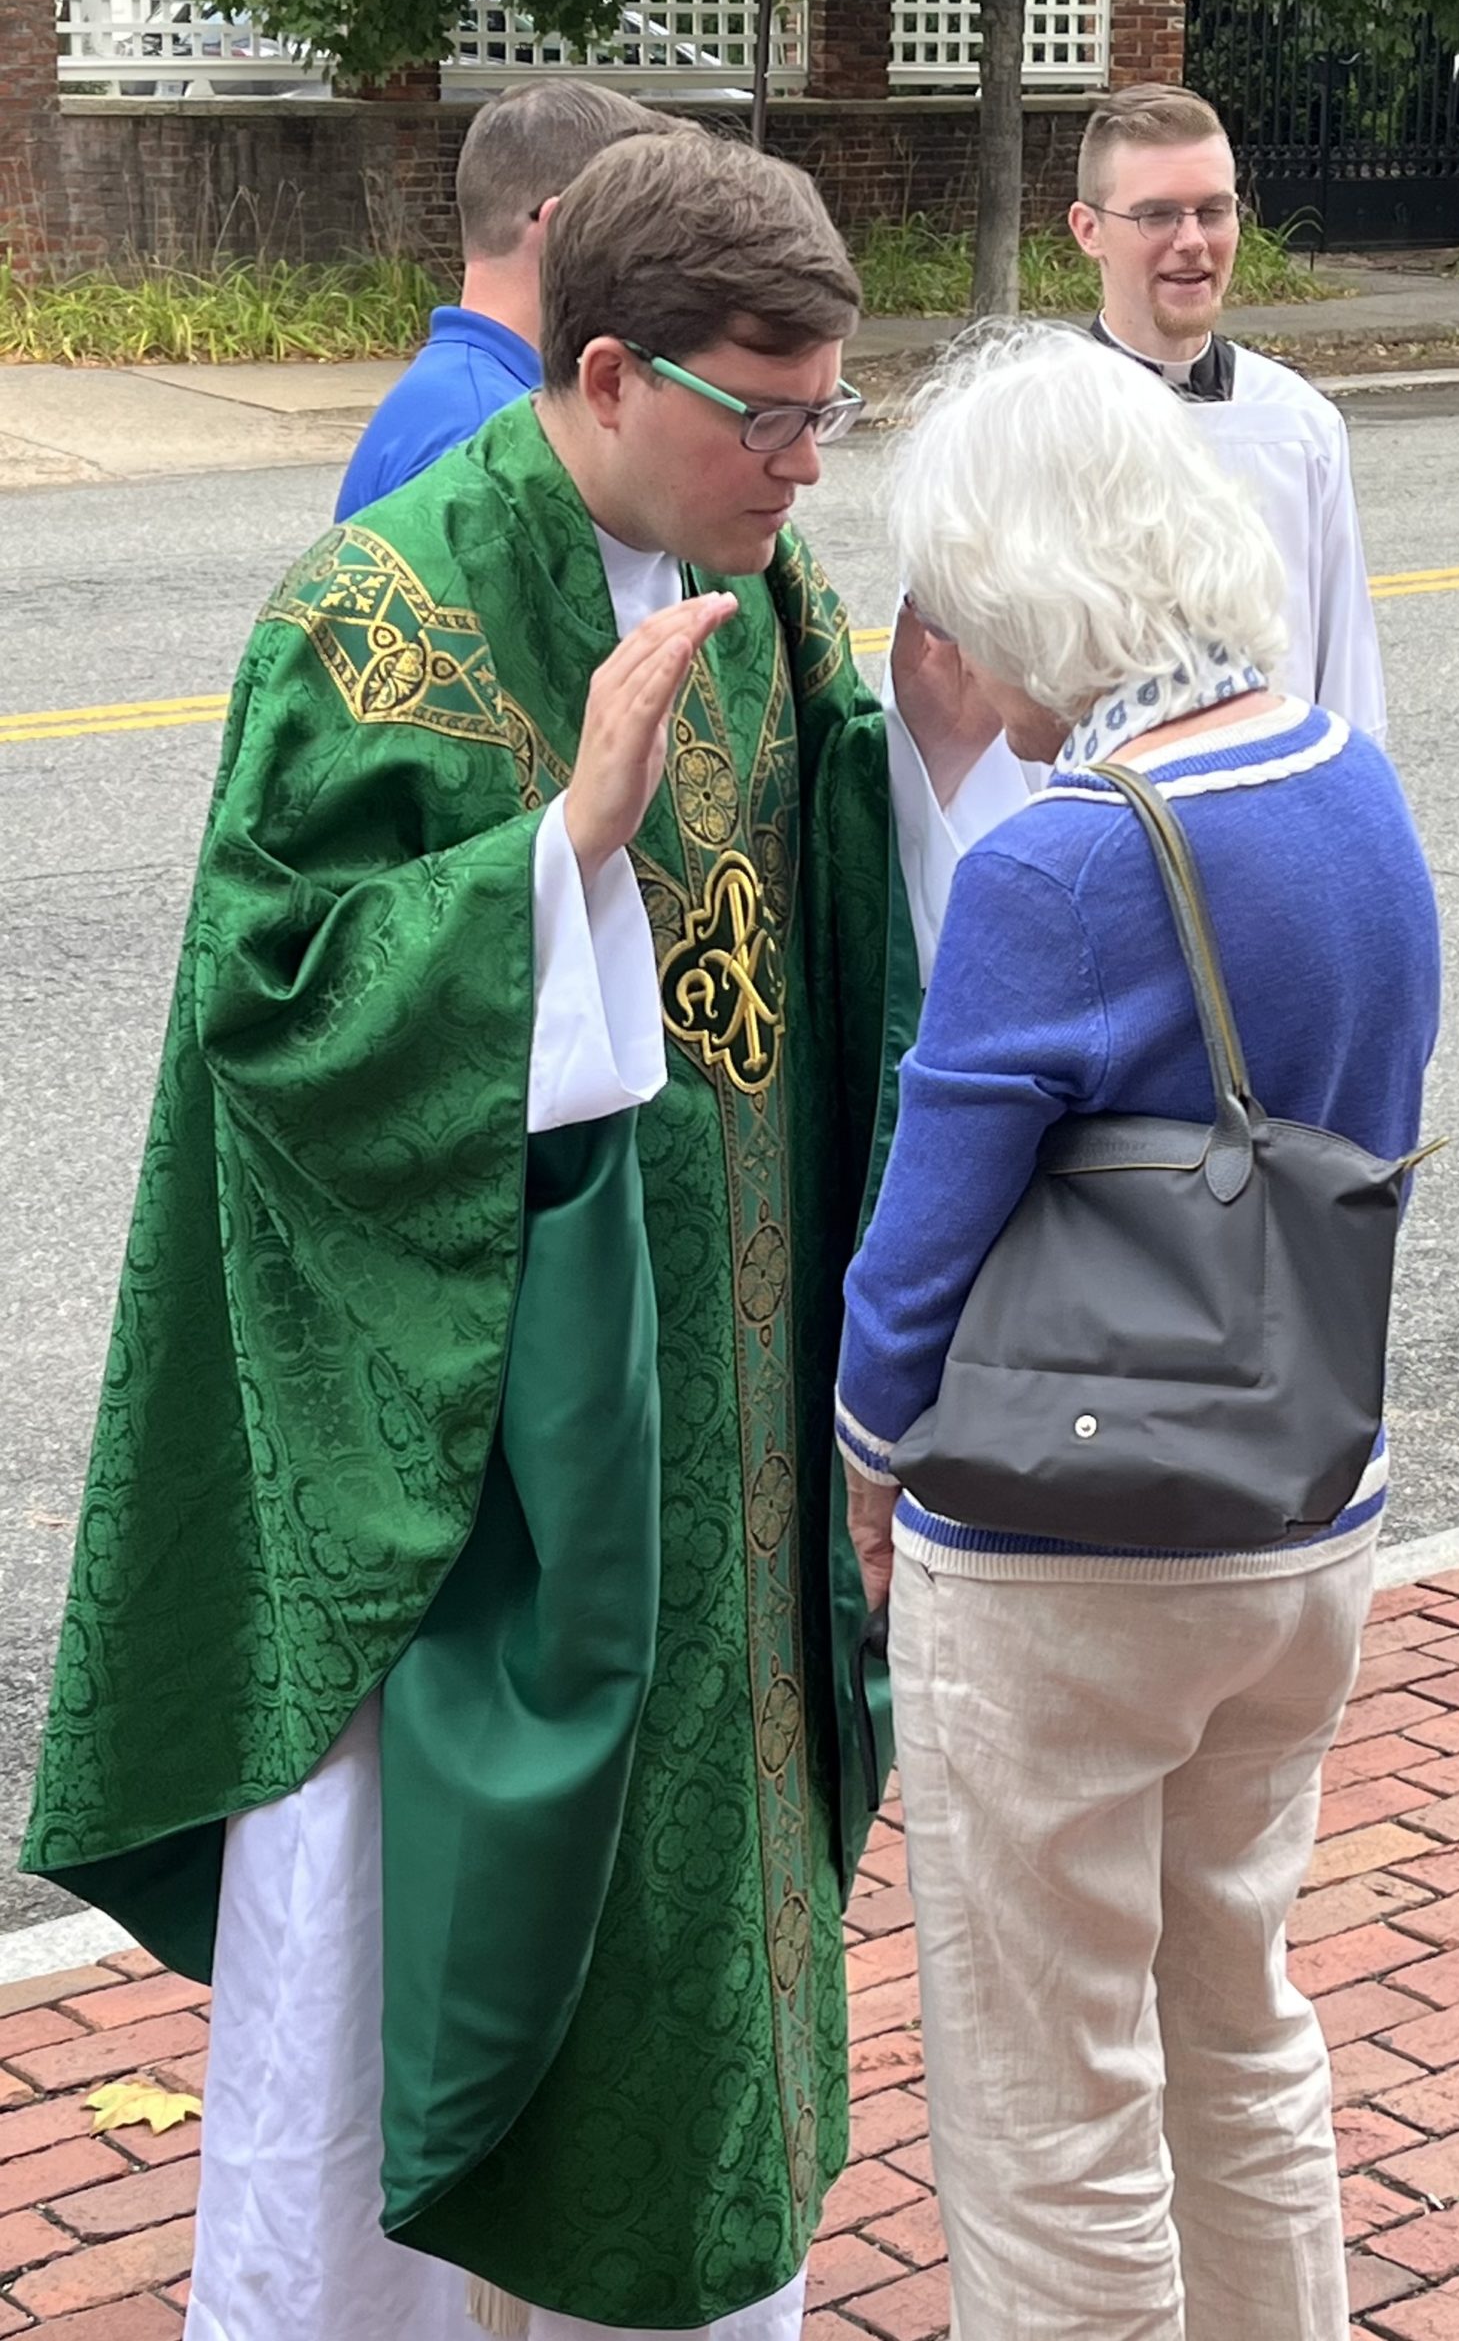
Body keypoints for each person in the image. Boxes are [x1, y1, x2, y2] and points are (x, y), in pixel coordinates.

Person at [22, 130, 995, 2341]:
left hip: (718, 1445)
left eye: (830, 409)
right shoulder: (372, 616)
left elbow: (836, 953)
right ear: (613, 369)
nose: (804, 469)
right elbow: (274, 1015)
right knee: (401, 1996)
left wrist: (922, 777)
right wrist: (556, 849)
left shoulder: (769, 606)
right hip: (466, 1507)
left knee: (692, 2008)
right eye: (769, 415)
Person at [835, 326, 1440, 2340]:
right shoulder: (1350, 789)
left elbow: (911, 1268)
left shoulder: (1066, 865)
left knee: (1047, 2103)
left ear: (1026, 586)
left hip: (1068, 1560)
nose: (959, 668)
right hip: (1301, 1501)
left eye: (959, 614)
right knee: (1233, 2023)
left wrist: (859, 1464)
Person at [1070, 83, 1389, 744]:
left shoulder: (1298, 427)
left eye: (1212, 211)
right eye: (1156, 215)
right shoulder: (1038, 433)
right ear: (1089, 230)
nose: (1192, 241)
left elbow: (1346, 671)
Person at [336, 81, 681, 518]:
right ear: (562, 229)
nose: (661, 261)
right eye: (640, 227)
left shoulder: (468, 393)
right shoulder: (486, 429)